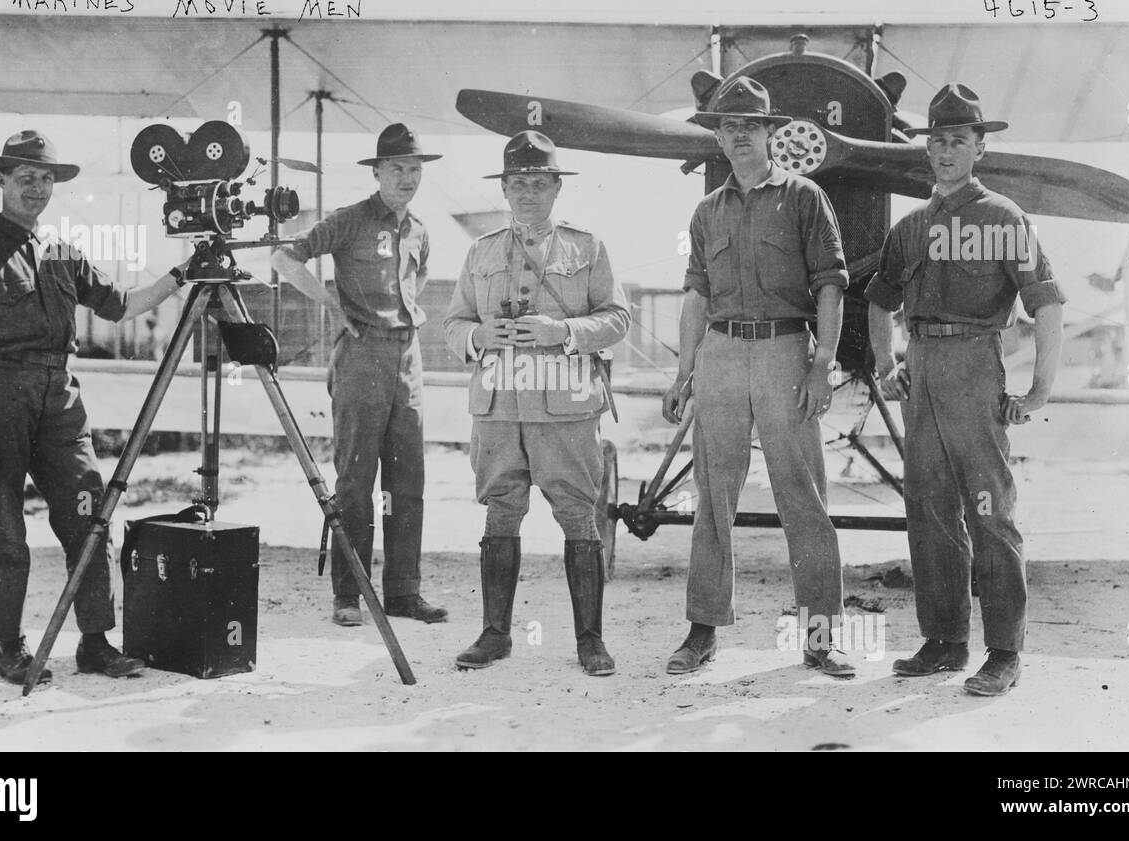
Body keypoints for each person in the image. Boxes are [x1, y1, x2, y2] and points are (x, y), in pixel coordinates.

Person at [0, 130, 189, 684]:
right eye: (25, 177)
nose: (37, 187)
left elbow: (122, 306)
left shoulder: (64, 254)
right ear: (1, 180)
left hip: (61, 399)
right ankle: (9, 647)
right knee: (3, 527)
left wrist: (180, 275)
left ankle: (95, 643)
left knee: (88, 514)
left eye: (46, 178)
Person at [866, 83, 1064, 696]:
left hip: (976, 368)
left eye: (959, 141)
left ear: (979, 148)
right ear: (927, 150)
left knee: (988, 510)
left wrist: (1039, 391)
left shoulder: (1004, 218)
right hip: (921, 366)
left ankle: (1004, 651)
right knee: (927, 508)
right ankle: (945, 641)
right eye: (938, 141)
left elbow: (1048, 304)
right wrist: (885, 362)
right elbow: (878, 298)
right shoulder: (912, 226)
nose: (946, 151)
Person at [661, 78, 855, 677]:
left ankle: (820, 638)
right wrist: (683, 371)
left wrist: (822, 365)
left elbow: (830, 284)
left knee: (804, 497)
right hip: (719, 355)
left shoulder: (803, 197)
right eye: (728, 127)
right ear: (717, 138)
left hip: (784, 354)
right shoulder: (706, 211)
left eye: (750, 125)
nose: (739, 135)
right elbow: (696, 294)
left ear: (771, 133)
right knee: (712, 497)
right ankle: (702, 632)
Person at [443, 131, 630, 675]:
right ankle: (495, 634)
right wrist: (480, 338)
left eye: (539, 183)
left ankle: (590, 641)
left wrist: (563, 330)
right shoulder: (480, 252)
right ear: (504, 189)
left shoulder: (587, 247)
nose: (528, 193)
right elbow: (454, 323)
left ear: (556, 189)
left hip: (565, 407)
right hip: (499, 407)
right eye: (518, 183)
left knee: (578, 516)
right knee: (500, 511)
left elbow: (617, 319)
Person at [271, 123, 447, 627]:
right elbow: (285, 257)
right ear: (377, 172)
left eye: (415, 170)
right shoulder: (349, 220)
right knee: (355, 481)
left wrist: (408, 317)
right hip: (362, 357)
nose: (407, 178)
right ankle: (349, 595)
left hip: (407, 360)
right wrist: (331, 303)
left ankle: (403, 593)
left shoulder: (420, 229)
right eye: (397, 169)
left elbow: (420, 279)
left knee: (407, 481)